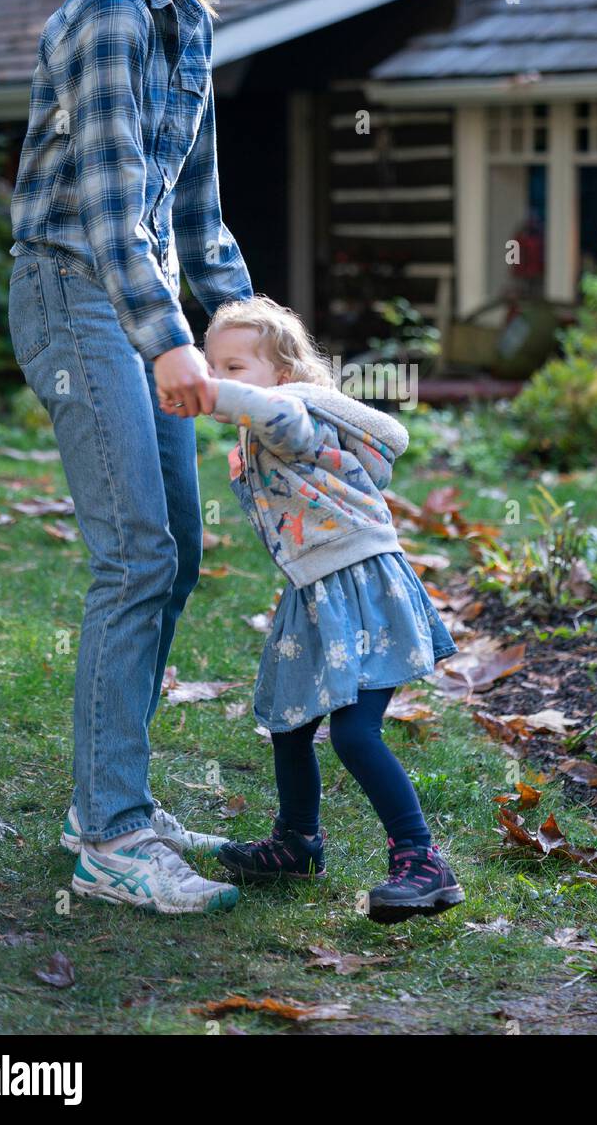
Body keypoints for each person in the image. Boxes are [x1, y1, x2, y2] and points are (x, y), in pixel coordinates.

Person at [8, 0, 251, 914]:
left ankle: (113, 800)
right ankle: (109, 832)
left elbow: (193, 218)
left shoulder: (190, 21)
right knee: (134, 555)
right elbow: (112, 211)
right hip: (72, 293)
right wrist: (169, 341)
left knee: (181, 550)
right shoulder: (107, 13)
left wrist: (252, 329)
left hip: (128, 298)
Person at [195, 294, 465, 924]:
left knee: (353, 732)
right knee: (289, 721)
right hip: (316, 589)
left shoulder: (292, 413)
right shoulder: (261, 421)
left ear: (282, 374)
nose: (219, 379)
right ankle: (297, 843)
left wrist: (212, 393)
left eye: (235, 368)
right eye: (212, 365)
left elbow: (275, 418)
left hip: (363, 586)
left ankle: (423, 861)